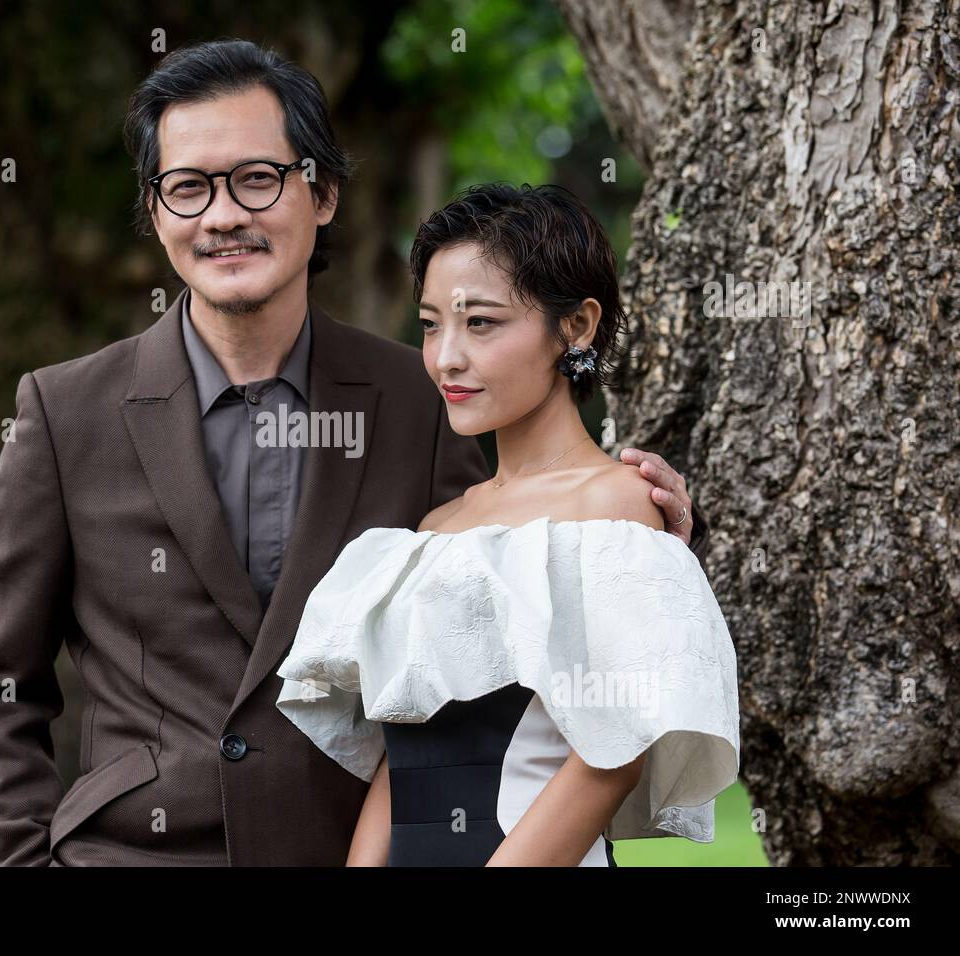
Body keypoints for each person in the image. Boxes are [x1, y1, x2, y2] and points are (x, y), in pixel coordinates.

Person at [0, 39, 709, 867]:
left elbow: (523, 584)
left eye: (257, 178)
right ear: (156, 212)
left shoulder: (429, 403)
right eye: (188, 187)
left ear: (325, 193)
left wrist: (648, 533)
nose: (223, 214)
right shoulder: (63, 414)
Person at [275, 183, 740, 866]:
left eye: (481, 323)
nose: (446, 357)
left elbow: (613, 755)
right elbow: (397, 756)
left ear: (577, 326)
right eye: (432, 324)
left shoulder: (613, 504)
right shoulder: (434, 529)